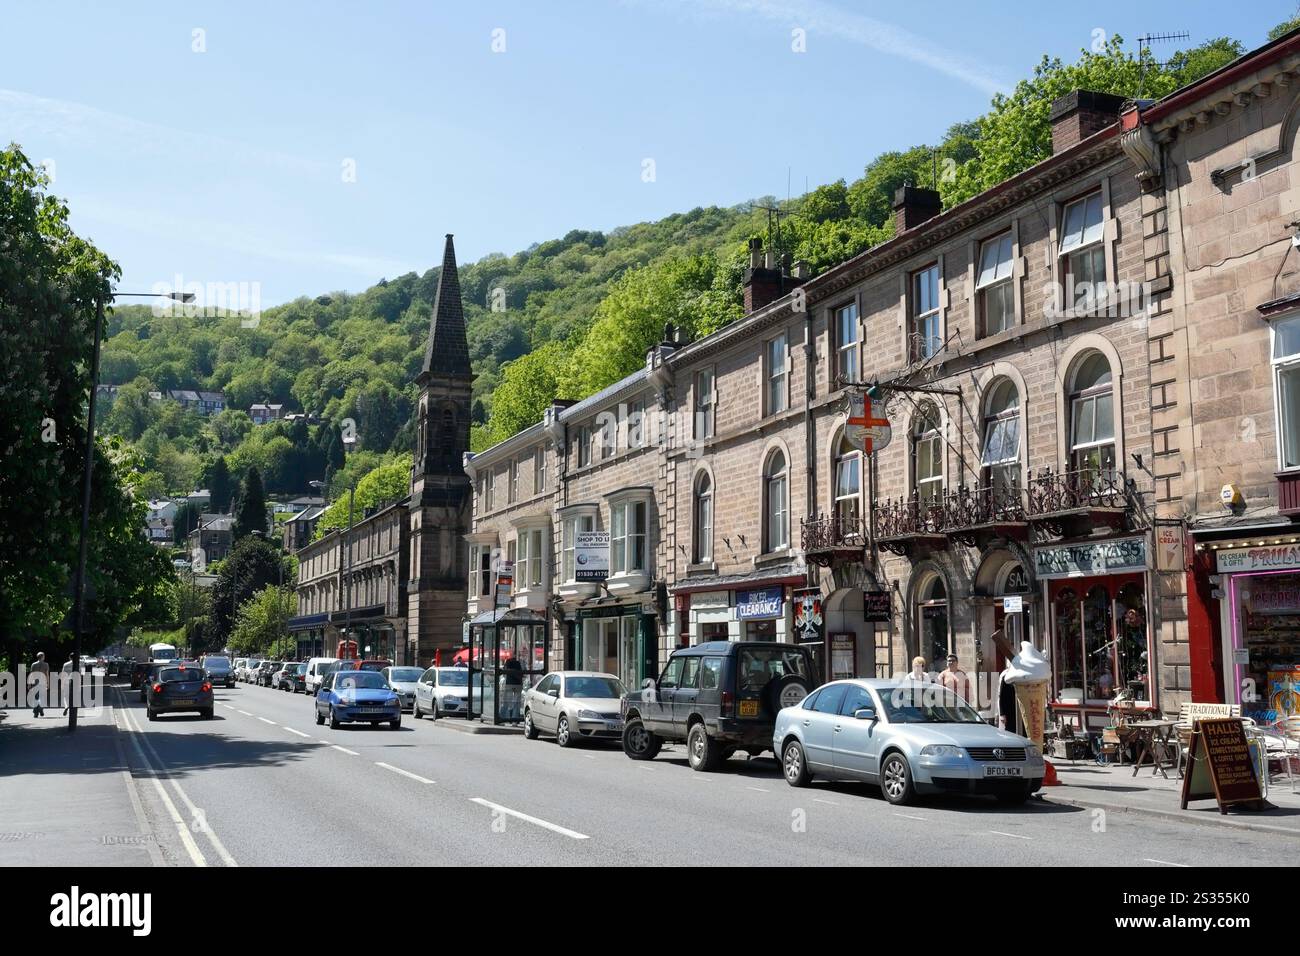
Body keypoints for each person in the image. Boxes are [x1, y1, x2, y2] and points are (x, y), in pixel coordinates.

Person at [502, 656, 523, 721]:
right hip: (518, 684)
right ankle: (515, 720)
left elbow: (503, 673)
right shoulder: (518, 663)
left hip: (509, 684)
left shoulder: (508, 662)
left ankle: (503, 718)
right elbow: (521, 673)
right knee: (516, 703)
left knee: (506, 702)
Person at [29, 652, 50, 718]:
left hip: (35, 683)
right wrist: (48, 683)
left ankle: (36, 712)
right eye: (44, 656)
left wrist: (29, 684)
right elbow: (47, 675)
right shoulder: (46, 664)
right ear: (42, 657)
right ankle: (40, 709)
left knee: (36, 698)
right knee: (42, 697)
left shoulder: (33, 664)